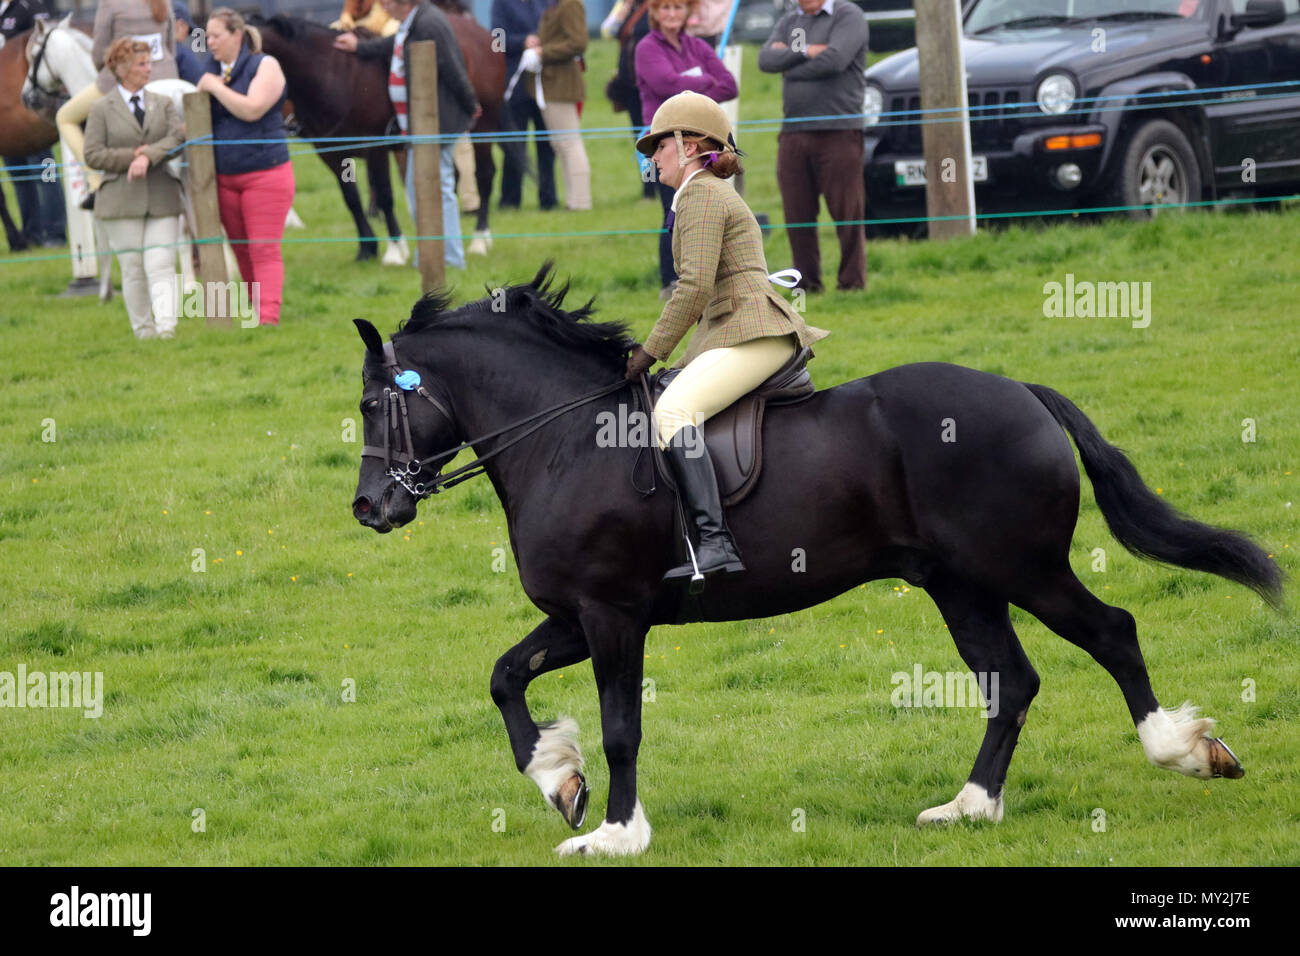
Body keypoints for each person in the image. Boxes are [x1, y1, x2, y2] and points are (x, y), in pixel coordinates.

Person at [624, 91, 828, 584]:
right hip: (740, 330)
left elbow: (693, 287)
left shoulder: (699, 194)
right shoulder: (706, 192)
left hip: (754, 333)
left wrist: (648, 354)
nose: (652, 158)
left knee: (672, 412)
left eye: (659, 147)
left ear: (690, 146)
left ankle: (715, 543)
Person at [334, 0, 480, 270]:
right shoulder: (415, 21)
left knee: (437, 190)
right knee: (423, 189)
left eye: (386, 2)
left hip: (434, 123)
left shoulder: (428, 23)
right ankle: (434, 253)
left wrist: (470, 104)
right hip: (421, 125)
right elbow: (396, 45)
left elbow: (451, 67)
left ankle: (448, 257)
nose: (382, 7)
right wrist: (360, 47)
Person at [758, 0, 868, 293]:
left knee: (847, 212)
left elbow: (836, 60)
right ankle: (805, 284)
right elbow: (765, 60)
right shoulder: (789, 21)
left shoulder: (848, 16)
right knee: (797, 214)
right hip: (793, 132)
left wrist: (790, 68)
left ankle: (852, 284)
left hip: (839, 131)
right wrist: (806, 51)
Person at [196, 7, 294, 326]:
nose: (209, 42)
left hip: (266, 173)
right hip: (225, 178)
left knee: (263, 248)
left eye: (216, 35)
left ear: (237, 35)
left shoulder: (264, 65)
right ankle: (256, 311)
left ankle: (268, 319)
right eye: (207, 36)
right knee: (241, 250)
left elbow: (252, 109)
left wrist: (213, 88)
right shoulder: (211, 70)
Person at [83, 38, 184, 339]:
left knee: (161, 262)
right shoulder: (101, 108)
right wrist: (132, 158)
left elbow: (177, 139)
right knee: (133, 268)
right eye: (142, 64)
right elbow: (93, 154)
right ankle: (144, 332)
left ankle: (167, 330)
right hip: (119, 199)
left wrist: (148, 155)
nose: (148, 69)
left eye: (149, 63)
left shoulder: (163, 103)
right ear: (123, 68)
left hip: (162, 195)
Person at [635, 0, 736, 299]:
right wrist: (704, 82)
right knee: (673, 209)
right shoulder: (646, 48)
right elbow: (664, 83)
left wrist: (687, 87)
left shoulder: (697, 46)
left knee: (706, 208)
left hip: (702, 143)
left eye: (678, 7)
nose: (671, 13)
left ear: (687, 12)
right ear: (654, 12)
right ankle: (672, 282)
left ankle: (706, 276)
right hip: (662, 143)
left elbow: (730, 85)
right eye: (665, 7)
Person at [59, 0, 178, 208]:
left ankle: (95, 183)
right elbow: (171, 46)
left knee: (65, 117)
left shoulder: (110, 4)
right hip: (168, 76)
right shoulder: (164, 2)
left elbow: (99, 54)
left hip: (126, 78)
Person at [1, 0, 65, 246]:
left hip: (32, 108)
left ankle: (56, 231)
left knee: (45, 169)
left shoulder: (30, 6)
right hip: (5, 113)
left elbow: (45, 42)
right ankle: (32, 232)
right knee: (18, 175)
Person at [526, 0, 590, 211]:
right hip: (551, 84)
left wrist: (543, 52)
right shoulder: (556, 4)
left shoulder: (570, 4)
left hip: (562, 84)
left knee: (570, 143)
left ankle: (580, 201)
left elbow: (578, 43)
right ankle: (573, 200)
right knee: (561, 144)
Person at [492, 0, 556, 210]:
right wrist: (522, 42)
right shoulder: (501, 4)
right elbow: (497, 42)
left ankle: (548, 199)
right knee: (514, 143)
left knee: (547, 146)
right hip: (515, 84)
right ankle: (510, 200)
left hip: (545, 82)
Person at [171, 0, 205, 84]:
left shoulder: (139, 50)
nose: (186, 35)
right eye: (188, 30)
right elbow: (198, 87)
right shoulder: (183, 55)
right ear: (180, 25)